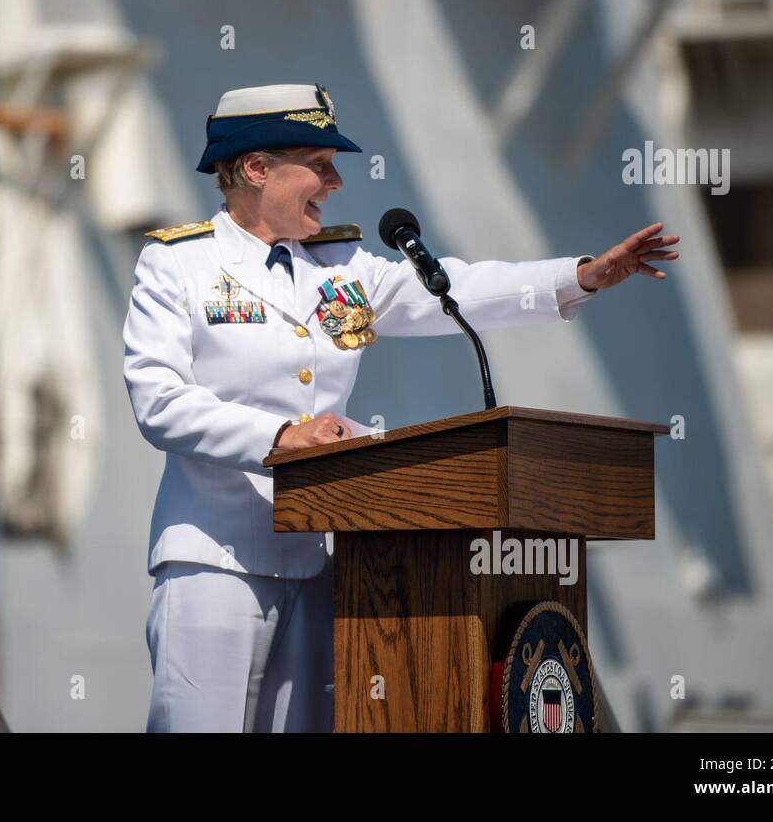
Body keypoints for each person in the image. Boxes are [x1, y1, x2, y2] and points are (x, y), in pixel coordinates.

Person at [121, 83, 679, 732]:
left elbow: (453, 289)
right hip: (216, 560)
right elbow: (158, 401)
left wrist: (579, 276)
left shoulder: (337, 269)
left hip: (322, 558)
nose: (334, 181)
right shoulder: (179, 266)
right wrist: (281, 433)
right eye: (319, 162)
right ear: (256, 168)